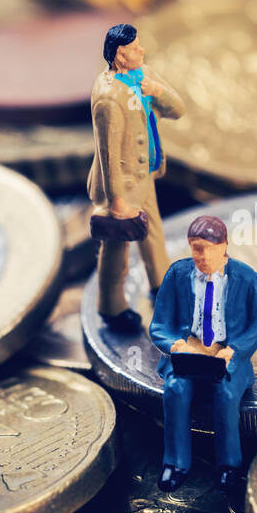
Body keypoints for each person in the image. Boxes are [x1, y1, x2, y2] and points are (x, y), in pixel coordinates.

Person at [148, 215, 257, 494]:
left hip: (225, 358)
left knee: (225, 395)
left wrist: (233, 351)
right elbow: (159, 325)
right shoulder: (177, 275)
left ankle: (229, 466)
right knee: (175, 390)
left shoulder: (249, 279)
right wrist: (175, 345)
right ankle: (176, 463)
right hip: (187, 355)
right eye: (195, 248)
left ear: (224, 245)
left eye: (208, 248)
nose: (202, 256)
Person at [88, 22, 187, 334]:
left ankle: (161, 287)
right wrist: (117, 201)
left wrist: (158, 92)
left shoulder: (143, 74)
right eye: (133, 49)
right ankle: (112, 307)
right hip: (122, 187)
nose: (141, 51)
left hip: (145, 175)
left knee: (154, 234)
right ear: (119, 56)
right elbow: (108, 155)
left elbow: (178, 110)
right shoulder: (108, 96)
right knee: (117, 249)